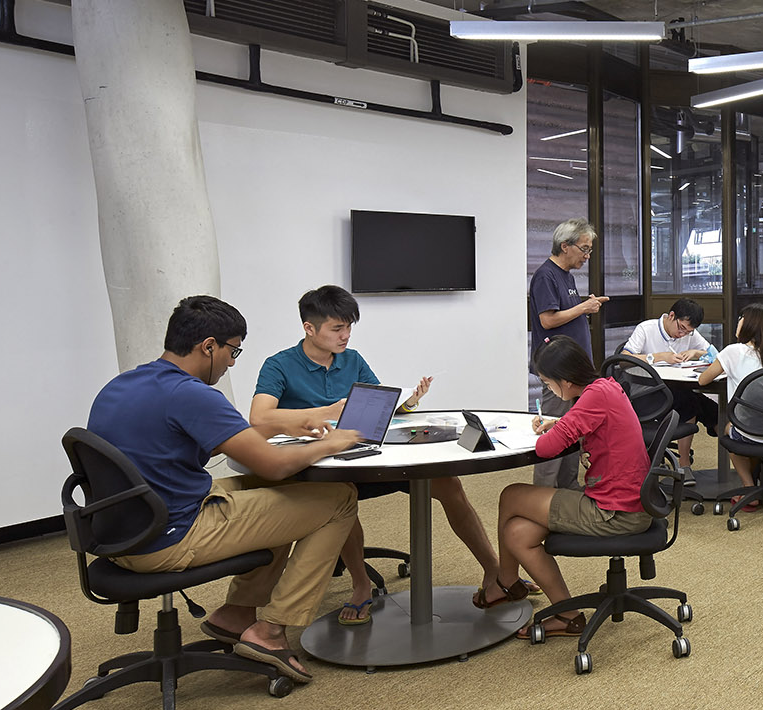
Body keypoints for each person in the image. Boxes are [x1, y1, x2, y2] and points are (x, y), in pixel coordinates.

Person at [87, 295, 361, 684]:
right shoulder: (193, 395)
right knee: (338, 499)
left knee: (276, 493)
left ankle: (235, 614)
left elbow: (233, 441)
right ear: (208, 346)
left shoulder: (124, 384)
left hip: (124, 527)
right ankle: (269, 632)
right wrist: (331, 443)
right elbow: (275, 463)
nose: (233, 361)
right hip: (168, 537)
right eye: (232, 350)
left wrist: (284, 426)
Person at [250, 284, 533, 626]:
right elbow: (260, 419)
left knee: (448, 483)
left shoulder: (352, 360)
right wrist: (329, 411)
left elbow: (377, 403)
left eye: (349, 326)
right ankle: (360, 585)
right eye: (337, 328)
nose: (346, 336)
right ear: (309, 328)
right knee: (342, 497)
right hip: (324, 465)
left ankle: (494, 573)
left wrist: (407, 403)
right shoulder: (279, 365)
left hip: (369, 453)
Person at [474, 336, 651, 639]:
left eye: (548, 382)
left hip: (614, 511)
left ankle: (505, 583)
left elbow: (545, 449)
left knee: (511, 495)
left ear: (566, 382)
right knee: (517, 532)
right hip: (627, 500)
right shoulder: (604, 387)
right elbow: (588, 425)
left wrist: (556, 430)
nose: (548, 388)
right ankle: (568, 614)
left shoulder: (592, 398)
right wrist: (561, 425)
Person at [529, 218, 608, 489]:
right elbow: (547, 320)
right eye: (584, 249)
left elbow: (567, 315)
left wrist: (587, 304)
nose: (587, 256)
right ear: (565, 246)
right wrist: (584, 308)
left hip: (574, 371)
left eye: (589, 250)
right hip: (558, 371)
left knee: (574, 431)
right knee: (553, 430)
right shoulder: (545, 276)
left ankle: (568, 489)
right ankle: (541, 494)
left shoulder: (567, 277)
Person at [696, 302, 763, 499]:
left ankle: (748, 487)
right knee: (750, 425)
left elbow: (703, 380)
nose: (738, 322)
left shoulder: (733, 352)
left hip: (752, 432)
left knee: (729, 428)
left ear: (751, 325)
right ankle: (760, 481)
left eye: (742, 319)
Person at [621, 297, 720, 466]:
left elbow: (716, 356)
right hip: (646, 392)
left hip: (676, 389)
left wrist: (696, 352)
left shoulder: (689, 333)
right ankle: (684, 462)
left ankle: (731, 467)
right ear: (672, 316)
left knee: (716, 411)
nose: (682, 334)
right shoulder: (646, 328)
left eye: (688, 332)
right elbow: (624, 359)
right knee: (689, 402)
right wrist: (658, 357)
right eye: (681, 328)